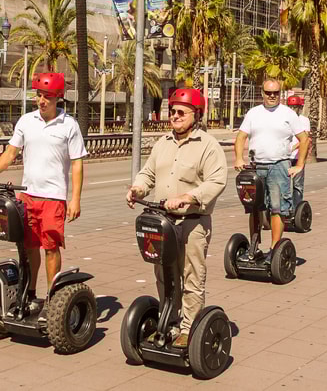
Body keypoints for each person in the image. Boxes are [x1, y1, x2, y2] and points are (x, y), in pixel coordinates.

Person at [126, 88, 227, 348]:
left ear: (197, 115)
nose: (175, 116)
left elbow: (217, 181)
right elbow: (148, 174)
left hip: (192, 221)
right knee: (163, 274)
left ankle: (189, 329)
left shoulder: (208, 146)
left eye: (181, 112)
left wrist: (188, 197)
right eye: (172, 111)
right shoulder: (163, 143)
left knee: (191, 275)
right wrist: (137, 188)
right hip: (164, 222)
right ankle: (168, 321)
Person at [0, 73, 87, 307]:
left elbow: (77, 163)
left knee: (51, 248)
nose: (41, 100)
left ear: (58, 98)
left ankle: (53, 297)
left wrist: (75, 199)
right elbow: (11, 152)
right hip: (28, 196)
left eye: (47, 96)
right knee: (30, 247)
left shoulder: (69, 125)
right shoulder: (26, 121)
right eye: (39, 95)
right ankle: (29, 293)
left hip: (54, 197)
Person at [234, 79, 309, 249]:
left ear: (280, 93)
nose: (272, 96)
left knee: (278, 208)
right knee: (253, 207)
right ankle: (254, 245)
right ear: (262, 93)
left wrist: (300, 165)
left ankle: (275, 249)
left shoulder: (288, 113)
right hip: (256, 167)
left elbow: (304, 140)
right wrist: (239, 158)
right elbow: (240, 137)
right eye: (268, 93)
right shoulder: (253, 113)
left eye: (276, 93)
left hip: (279, 165)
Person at [286, 95, 312, 207]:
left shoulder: (304, 120)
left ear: (299, 108)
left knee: (297, 185)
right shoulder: (284, 119)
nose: (293, 109)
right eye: (291, 107)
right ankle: (285, 208)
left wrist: (293, 147)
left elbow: (305, 139)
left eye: (295, 107)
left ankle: (296, 209)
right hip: (285, 157)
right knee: (284, 184)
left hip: (297, 157)